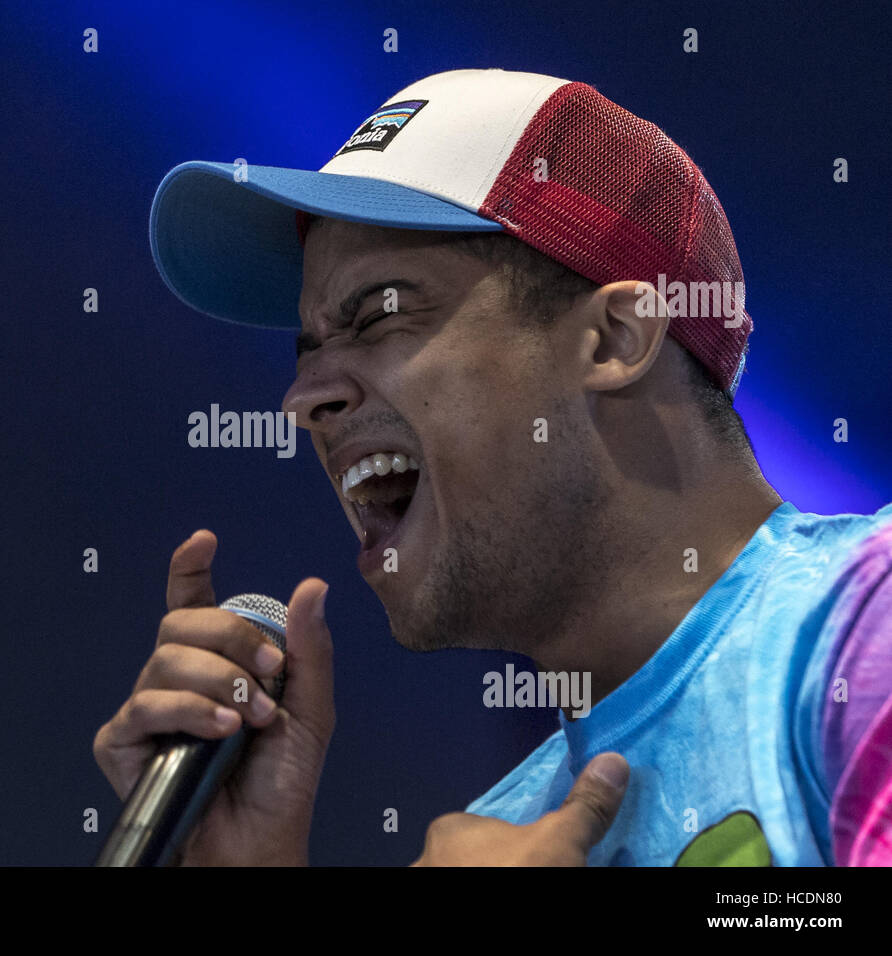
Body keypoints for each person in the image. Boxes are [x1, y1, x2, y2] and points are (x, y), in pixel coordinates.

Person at [93, 68, 892, 865]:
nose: (303, 397)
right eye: (307, 351)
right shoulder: (504, 832)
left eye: (379, 315)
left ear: (615, 337)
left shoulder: (864, 622)